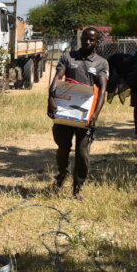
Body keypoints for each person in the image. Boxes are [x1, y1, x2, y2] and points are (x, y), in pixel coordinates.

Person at [48, 27, 108, 199]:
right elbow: (57, 79)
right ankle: (62, 174)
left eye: (92, 40)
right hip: (65, 112)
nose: (88, 42)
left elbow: (103, 91)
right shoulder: (68, 57)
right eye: (85, 39)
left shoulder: (101, 63)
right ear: (81, 39)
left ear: (97, 41)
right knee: (62, 149)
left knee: (82, 153)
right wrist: (50, 99)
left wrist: (95, 114)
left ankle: (77, 189)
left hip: (86, 116)